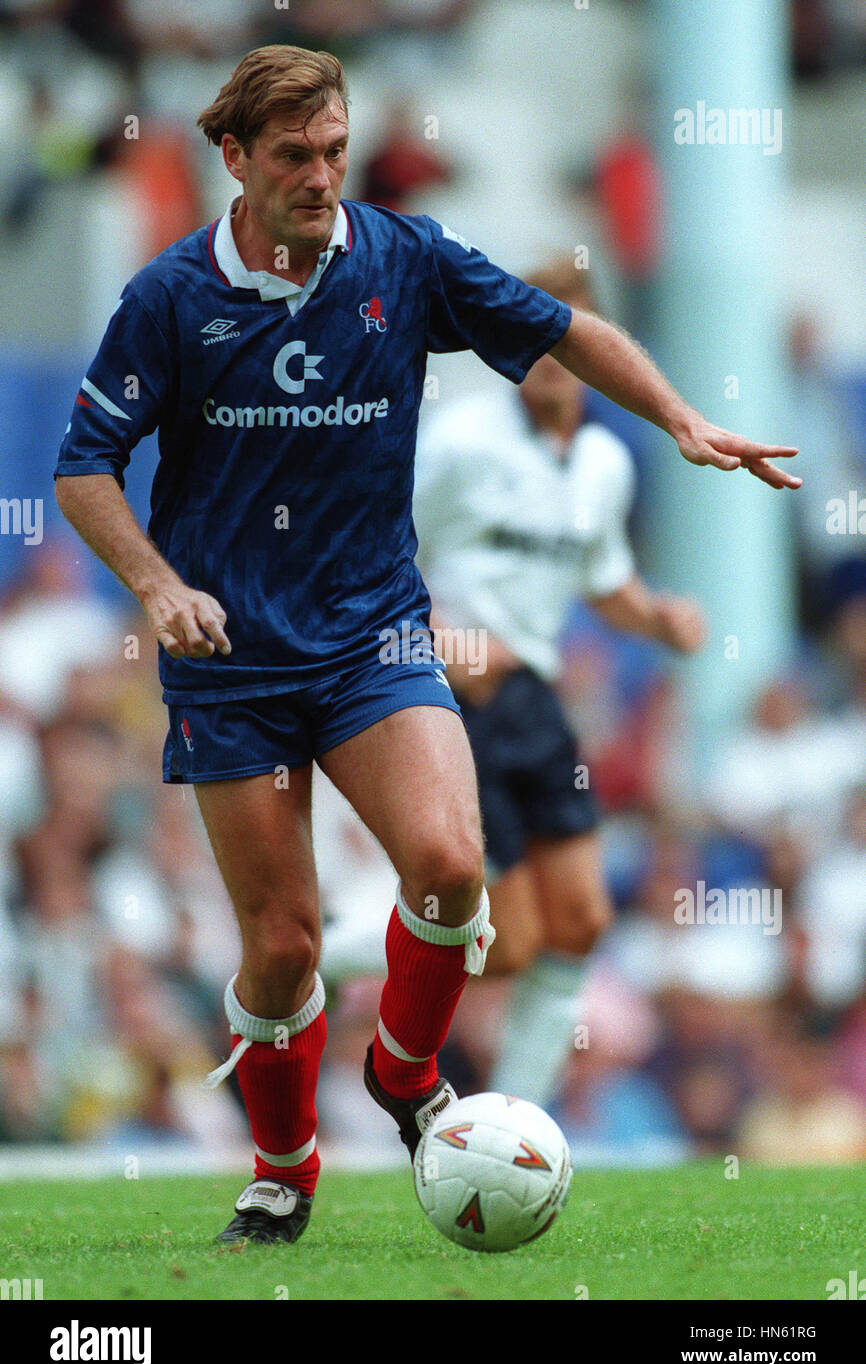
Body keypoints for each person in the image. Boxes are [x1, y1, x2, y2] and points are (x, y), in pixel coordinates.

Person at [53, 45, 800, 1245]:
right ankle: (283, 1163)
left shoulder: (403, 259)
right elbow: (83, 465)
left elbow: (563, 328)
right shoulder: (168, 298)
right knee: (284, 945)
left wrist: (680, 419)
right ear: (233, 158)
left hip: (370, 635)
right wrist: (155, 583)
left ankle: (403, 1075)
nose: (320, 176)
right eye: (292, 155)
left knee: (452, 864)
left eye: (335, 151)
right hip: (231, 658)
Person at [413, 259, 705, 1111]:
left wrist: (660, 619)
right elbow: (378, 552)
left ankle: (518, 1123)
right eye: (529, 337)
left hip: (535, 698)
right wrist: (437, 637)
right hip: (453, 698)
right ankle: (318, 957)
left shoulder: (606, 463)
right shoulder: (462, 441)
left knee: (577, 925)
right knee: (500, 944)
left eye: (564, 338)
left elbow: (604, 582)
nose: (545, 356)